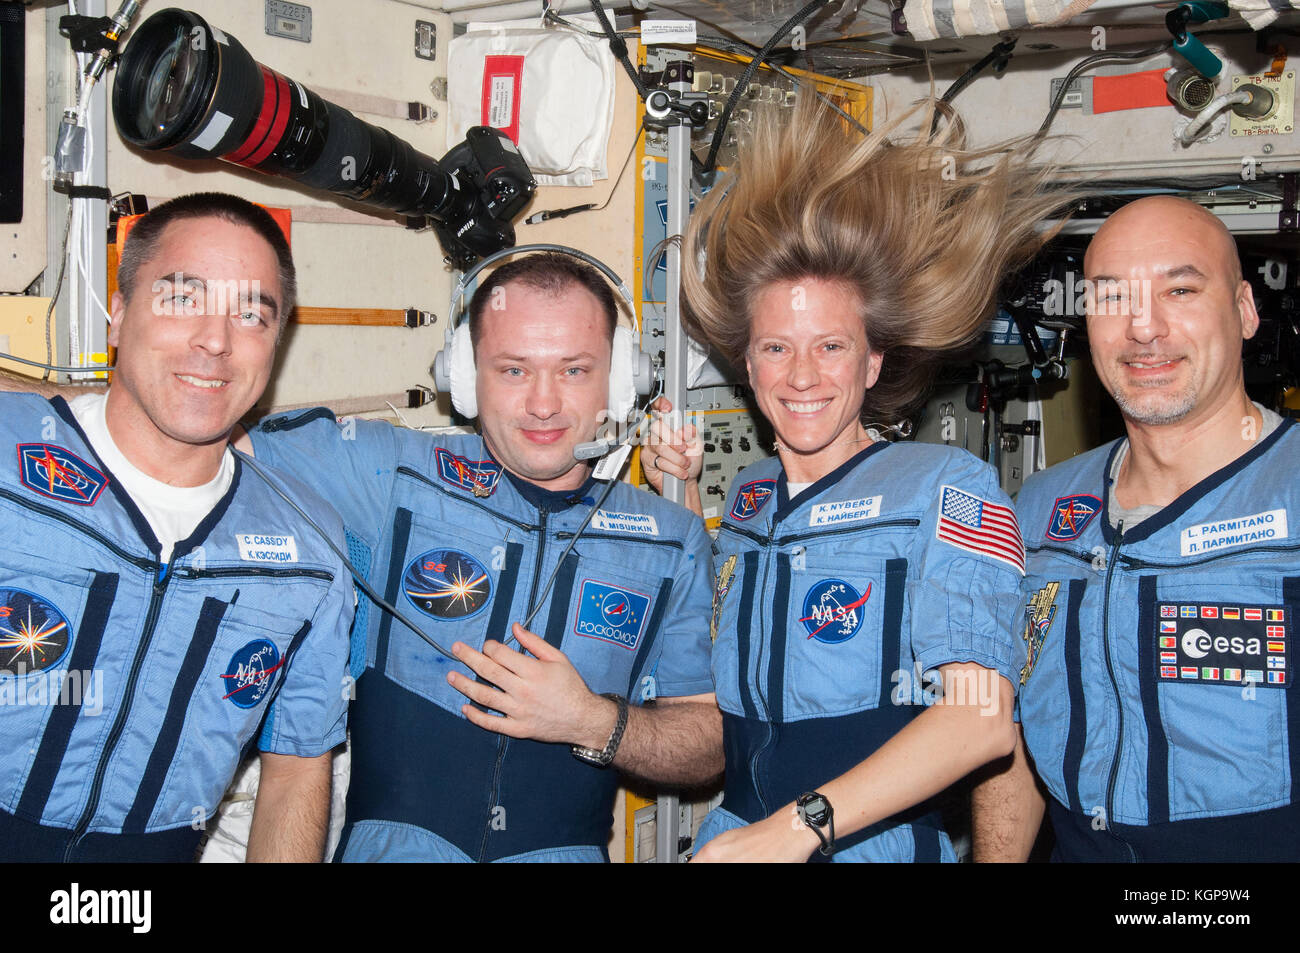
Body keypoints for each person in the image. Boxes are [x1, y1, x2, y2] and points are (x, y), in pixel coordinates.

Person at [640, 100, 1068, 861]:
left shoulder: (944, 486)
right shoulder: (747, 501)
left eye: (831, 345)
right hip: (734, 837)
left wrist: (796, 828)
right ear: (747, 365)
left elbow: (981, 719)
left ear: (872, 363)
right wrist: (676, 494)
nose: (802, 375)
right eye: (776, 347)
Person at [240, 251, 721, 862]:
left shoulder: (670, 537)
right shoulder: (391, 474)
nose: (543, 405)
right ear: (464, 378)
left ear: (621, 382)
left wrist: (591, 722)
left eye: (574, 370)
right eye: (513, 370)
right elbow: (201, 435)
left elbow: (708, 745)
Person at [0, 193, 352, 861]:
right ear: (119, 312)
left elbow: (297, 769)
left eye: (251, 314)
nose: (215, 340)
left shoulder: (311, 555)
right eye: (182, 297)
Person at [972, 195, 1299, 862]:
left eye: (1179, 289)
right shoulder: (1041, 510)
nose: (1144, 328)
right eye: (1113, 296)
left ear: (1243, 309)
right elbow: (1013, 730)